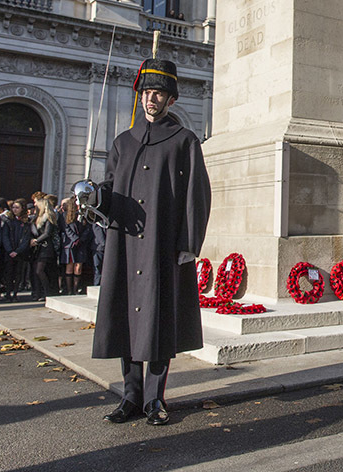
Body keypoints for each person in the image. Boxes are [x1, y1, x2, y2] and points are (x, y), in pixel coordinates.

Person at [92, 56, 211, 426]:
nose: (151, 100)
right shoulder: (123, 143)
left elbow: (198, 194)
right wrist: (95, 197)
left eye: (158, 94)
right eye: (146, 92)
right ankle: (130, 395)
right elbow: (111, 191)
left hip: (162, 246)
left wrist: (188, 244)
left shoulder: (184, 141)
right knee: (125, 319)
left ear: (171, 100)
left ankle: (154, 399)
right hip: (125, 246)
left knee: (160, 322)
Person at [2, 199, 31, 302]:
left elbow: (26, 238)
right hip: (9, 251)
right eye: (13, 207)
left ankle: (15, 293)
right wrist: (10, 250)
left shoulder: (26, 222)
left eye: (17, 207)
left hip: (20, 253)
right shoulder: (8, 221)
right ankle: (8, 293)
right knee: (9, 273)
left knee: (18, 274)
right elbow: (5, 236)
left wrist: (18, 251)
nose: (15, 210)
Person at [29, 198, 57, 301]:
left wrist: (36, 240)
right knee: (36, 271)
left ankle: (47, 292)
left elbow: (47, 233)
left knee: (39, 270)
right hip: (37, 249)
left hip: (45, 248)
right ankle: (38, 292)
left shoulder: (48, 218)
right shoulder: (35, 218)